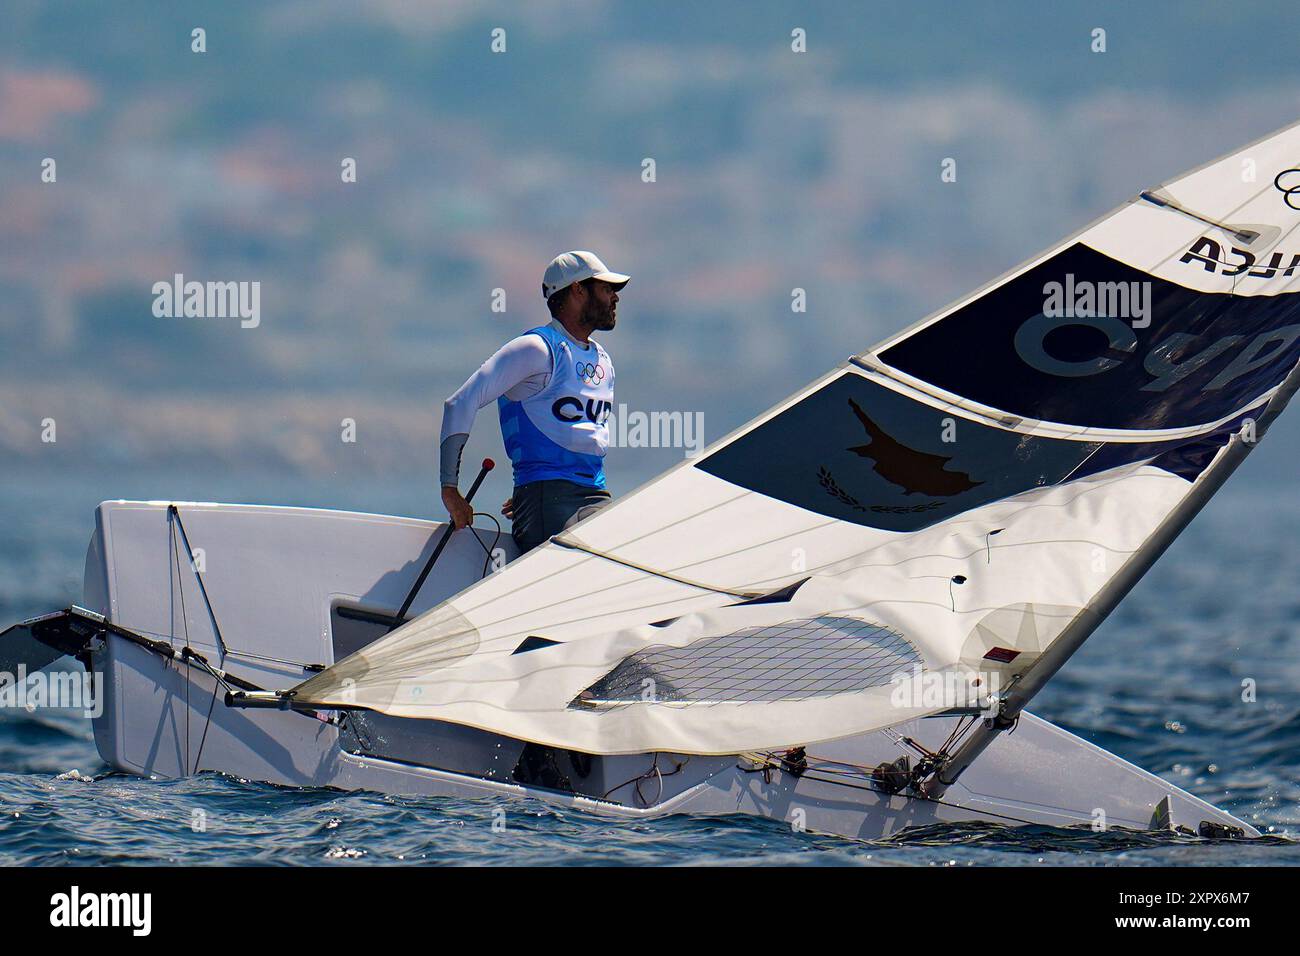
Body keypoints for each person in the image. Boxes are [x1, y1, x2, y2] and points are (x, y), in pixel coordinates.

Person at [439, 250, 629, 553]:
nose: (615, 298)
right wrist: (450, 490)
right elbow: (460, 402)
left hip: (595, 494)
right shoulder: (535, 349)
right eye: (607, 289)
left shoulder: (603, 360)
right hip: (548, 500)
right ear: (578, 289)